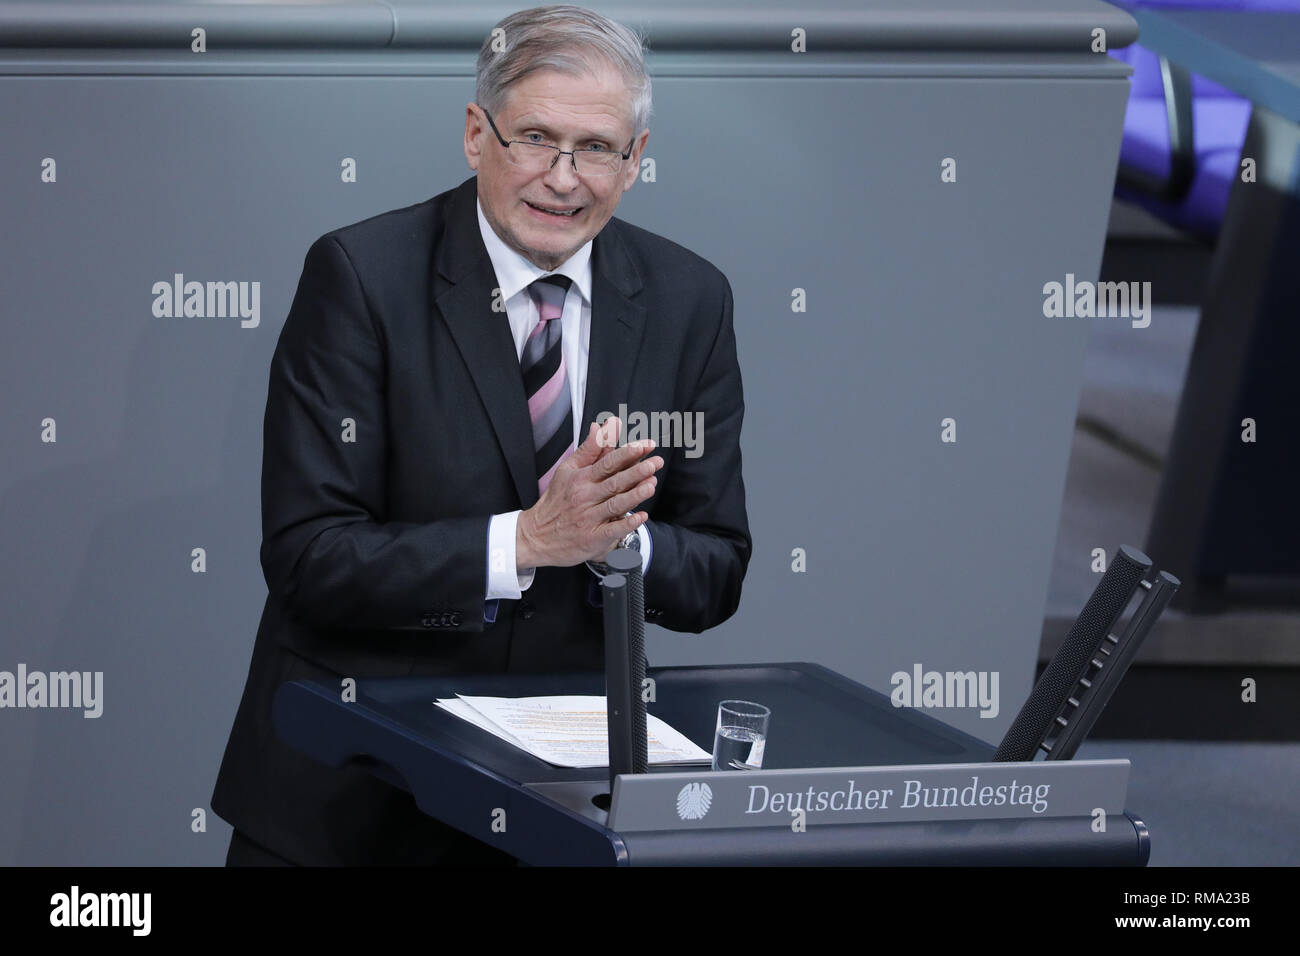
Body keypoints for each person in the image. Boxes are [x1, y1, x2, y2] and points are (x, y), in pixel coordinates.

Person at [212, 4, 750, 866]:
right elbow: (311, 559)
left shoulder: (690, 299)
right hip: (353, 808)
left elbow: (716, 568)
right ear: (475, 134)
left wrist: (620, 545)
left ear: (637, 159)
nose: (564, 178)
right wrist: (530, 541)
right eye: (534, 137)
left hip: (562, 814)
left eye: (598, 148)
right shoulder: (361, 276)